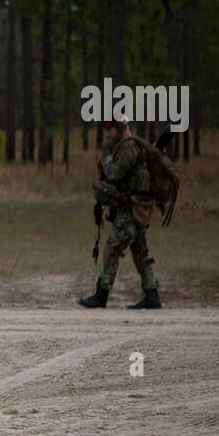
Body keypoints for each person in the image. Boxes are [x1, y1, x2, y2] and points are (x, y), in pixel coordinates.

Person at [79, 115, 162, 309]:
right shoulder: (137, 146)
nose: (108, 134)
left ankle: (101, 295)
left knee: (112, 249)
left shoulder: (127, 148)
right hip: (138, 208)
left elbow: (114, 174)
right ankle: (152, 294)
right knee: (140, 251)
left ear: (119, 128)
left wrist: (106, 157)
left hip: (130, 210)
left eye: (110, 129)